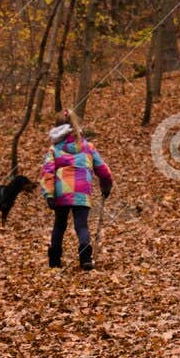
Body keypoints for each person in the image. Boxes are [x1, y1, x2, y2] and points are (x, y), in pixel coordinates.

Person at [41, 113, 113, 271]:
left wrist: (49, 194)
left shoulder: (54, 149)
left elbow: (47, 172)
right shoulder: (88, 147)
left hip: (62, 191)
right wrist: (106, 185)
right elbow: (103, 169)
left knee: (60, 225)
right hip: (82, 189)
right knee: (81, 225)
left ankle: (54, 260)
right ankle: (85, 258)